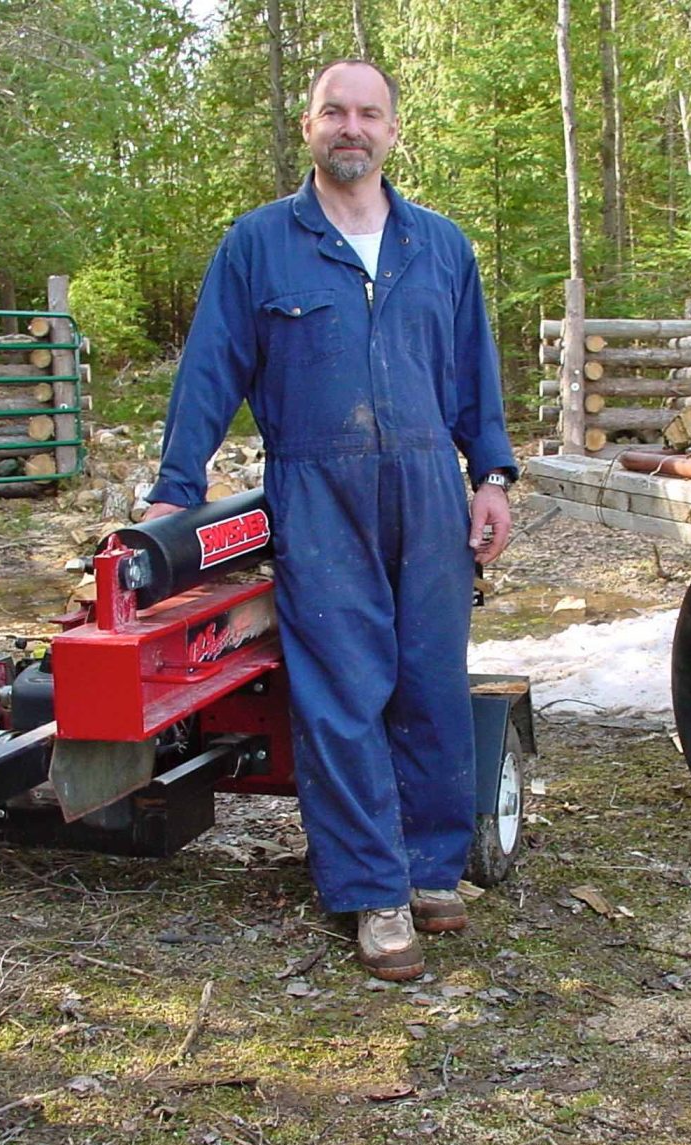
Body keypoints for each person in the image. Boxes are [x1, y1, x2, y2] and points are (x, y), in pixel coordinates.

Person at [144, 59, 517, 981]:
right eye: (334, 112)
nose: (352, 127)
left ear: (392, 130)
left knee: (431, 680)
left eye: (369, 113)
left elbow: (473, 373)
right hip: (316, 492)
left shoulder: (441, 247)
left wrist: (491, 475)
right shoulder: (260, 245)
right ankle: (373, 894)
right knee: (343, 693)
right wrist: (175, 487)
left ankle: (430, 870)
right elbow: (210, 368)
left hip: (429, 487)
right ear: (308, 127)